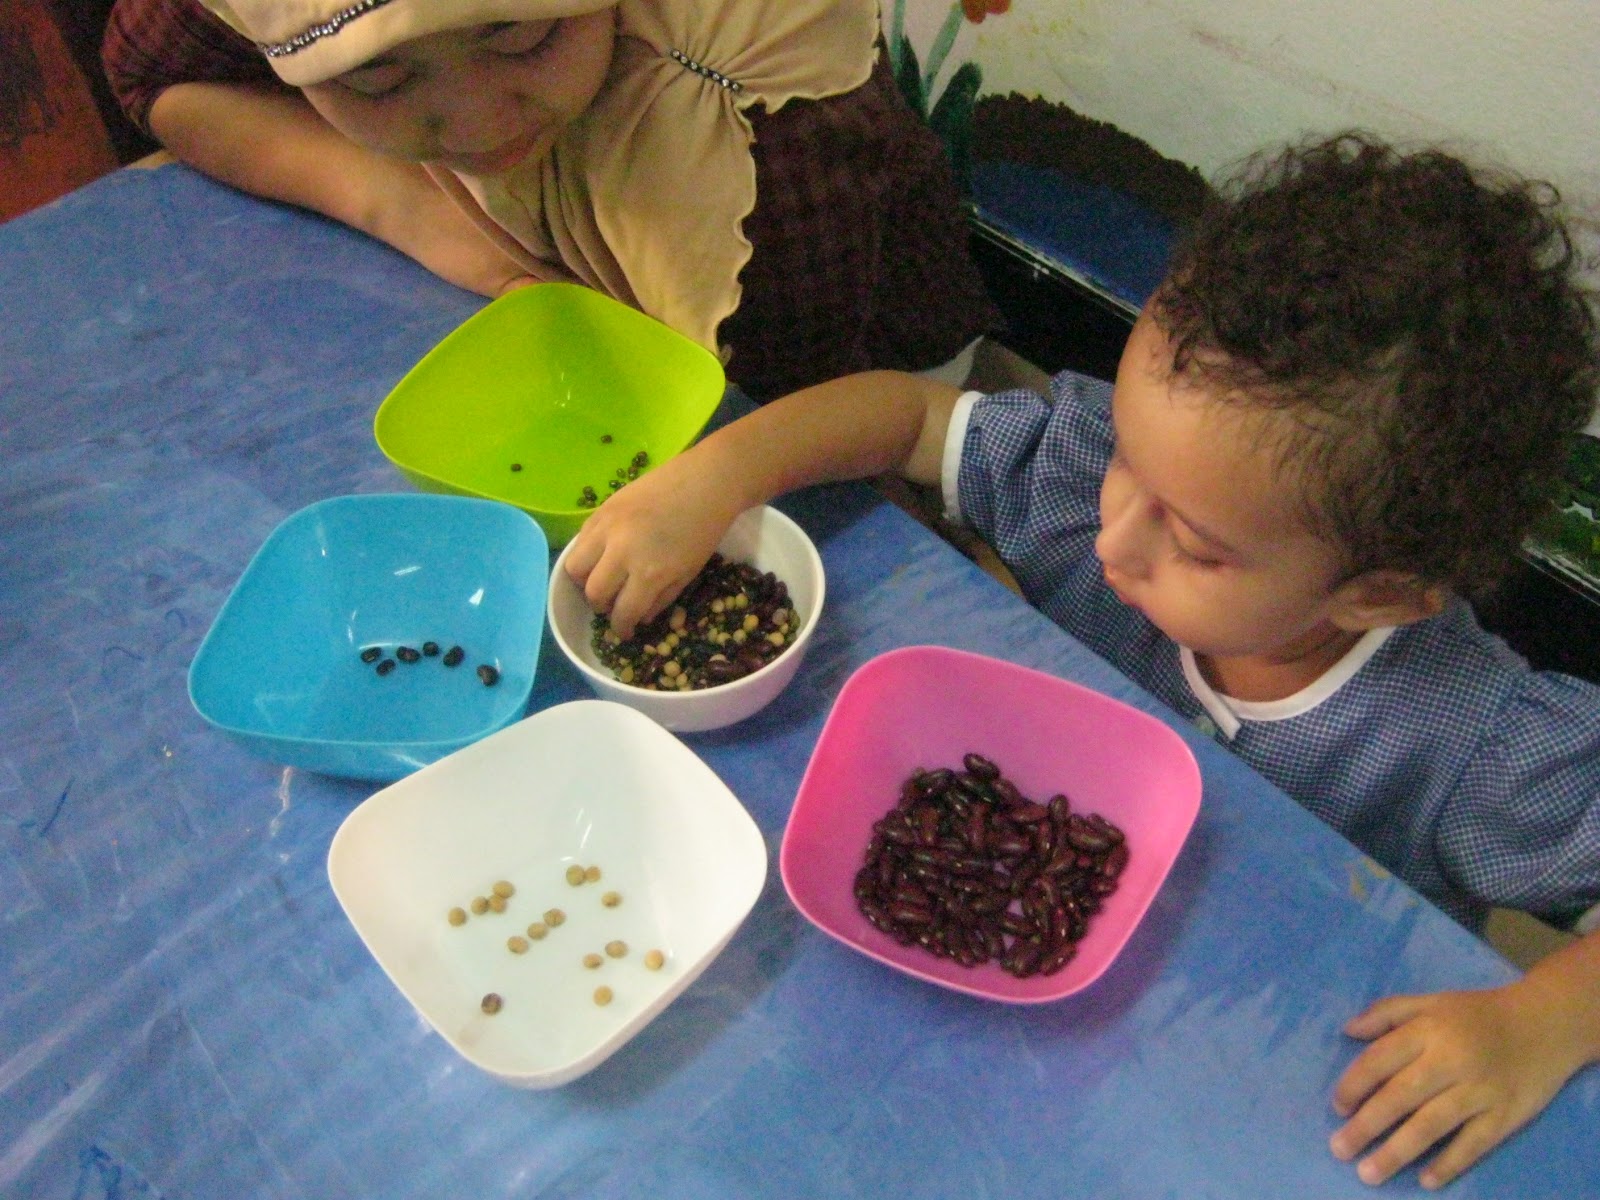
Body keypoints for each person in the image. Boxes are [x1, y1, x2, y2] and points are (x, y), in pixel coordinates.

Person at [563, 132, 1600, 1190]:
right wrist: (717, 477)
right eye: (1127, 468)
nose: (1110, 539)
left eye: (1192, 545)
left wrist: (1543, 1020)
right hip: (994, 1036)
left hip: (1254, 1079)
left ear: (1378, 593)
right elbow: (910, 415)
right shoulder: (1087, 469)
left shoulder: (1472, 742)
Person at [100, 0, 1000, 399]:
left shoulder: (770, 125)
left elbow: (789, 403)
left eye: (522, 37)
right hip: (562, 275)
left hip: (849, 360)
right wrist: (401, 208)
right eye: (376, 82)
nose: (479, 123)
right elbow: (153, 73)